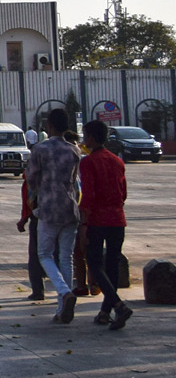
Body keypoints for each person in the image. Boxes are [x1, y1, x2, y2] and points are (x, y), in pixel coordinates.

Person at [30, 107, 82, 324]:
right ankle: (62, 309)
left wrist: (32, 202)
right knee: (66, 258)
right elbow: (77, 183)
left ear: (49, 126)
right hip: (70, 208)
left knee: (44, 255)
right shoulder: (74, 150)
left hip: (49, 208)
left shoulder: (40, 149)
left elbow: (32, 180)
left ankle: (64, 292)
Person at [80, 118, 132, 330]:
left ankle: (118, 306)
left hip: (97, 219)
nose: (84, 140)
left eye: (85, 136)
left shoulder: (88, 162)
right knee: (111, 265)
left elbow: (89, 196)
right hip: (117, 219)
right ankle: (104, 312)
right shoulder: (117, 161)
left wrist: (83, 223)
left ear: (91, 138)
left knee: (93, 263)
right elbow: (124, 192)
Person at [16, 168, 46, 301]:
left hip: (39, 219)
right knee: (62, 257)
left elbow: (29, 199)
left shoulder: (32, 177)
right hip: (64, 218)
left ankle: (38, 291)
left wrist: (24, 218)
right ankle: (64, 291)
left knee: (36, 255)